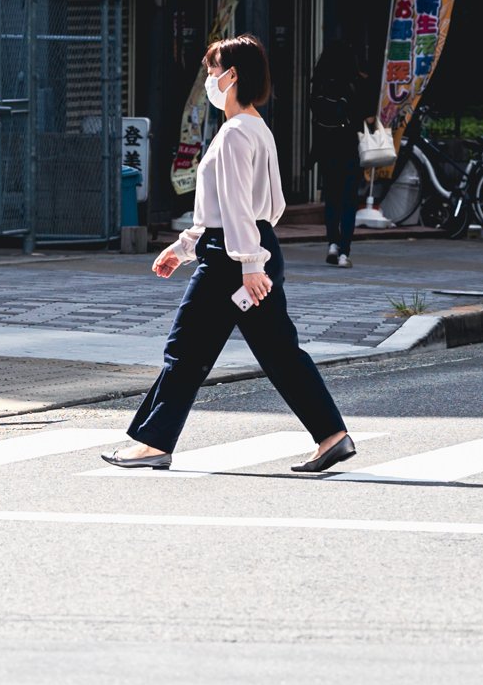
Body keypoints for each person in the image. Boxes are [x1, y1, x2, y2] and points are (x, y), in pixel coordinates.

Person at [103, 33, 356, 475]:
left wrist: (248, 263)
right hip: (243, 250)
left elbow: (237, 207)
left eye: (212, 71)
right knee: (278, 351)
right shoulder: (256, 128)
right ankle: (332, 436)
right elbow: (266, 208)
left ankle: (152, 443)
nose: (209, 79)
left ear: (233, 75)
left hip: (232, 259)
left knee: (185, 350)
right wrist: (186, 248)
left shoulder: (236, 134)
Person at [308, 39, 371, 267]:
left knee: (331, 198)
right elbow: (366, 117)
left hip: (326, 147)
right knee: (349, 200)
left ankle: (332, 243)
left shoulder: (320, 83)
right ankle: (344, 251)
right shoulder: (355, 84)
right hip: (349, 147)